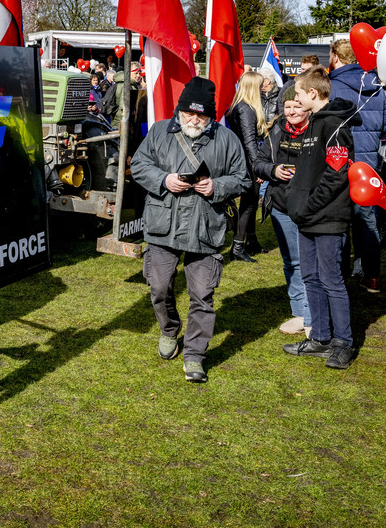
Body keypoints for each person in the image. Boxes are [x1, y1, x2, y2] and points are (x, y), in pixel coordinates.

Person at [131, 77, 250, 384]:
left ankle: (195, 355)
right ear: (179, 110)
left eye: (202, 114)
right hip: (162, 224)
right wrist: (163, 179)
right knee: (158, 285)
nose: (194, 119)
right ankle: (169, 330)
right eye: (189, 113)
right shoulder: (159, 132)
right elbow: (139, 165)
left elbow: (243, 179)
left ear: (211, 115)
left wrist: (218, 186)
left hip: (205, 226)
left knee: (202, 295)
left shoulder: (227, 139)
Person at [283, 68, 360, 370]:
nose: (296, 98)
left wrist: (309, 205)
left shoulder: (336, 125)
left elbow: (336, 175)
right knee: (310, 276)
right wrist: (297, 200)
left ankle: (343, 342)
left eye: (299, 93)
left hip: (327, 215)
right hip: (307, 215)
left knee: (331, 279)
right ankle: (321, 337)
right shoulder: (312, 123)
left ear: (312, 93)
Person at [327, 38, 386, 291]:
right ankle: (371, 274)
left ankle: (340, 275)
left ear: (335, 56)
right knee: (366, 220)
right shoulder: (377, 87)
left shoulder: (331, 86)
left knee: (339, 220)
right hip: (369, 163)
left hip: (340, 162)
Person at [254, 87, 311, 336]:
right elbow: (258, 162)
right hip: (281, 205)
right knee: (292, 261)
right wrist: (273, 170)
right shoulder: (275, 131)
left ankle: (313, 315)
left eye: (297, 105)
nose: (292, 111)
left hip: (311, 206)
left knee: (312, 261)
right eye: (287, 106)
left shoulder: (317, 130)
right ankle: (300, 312)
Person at [225, 71, 268, 263]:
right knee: (249, 204)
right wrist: (257, 167)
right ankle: (238, 246)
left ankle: (251, 241)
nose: (262, 89)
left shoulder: (241, 106)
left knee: (250, 203)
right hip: (247, 162)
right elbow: (249, 141)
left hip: (244, 159)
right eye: (259, 86)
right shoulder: (246, 109)